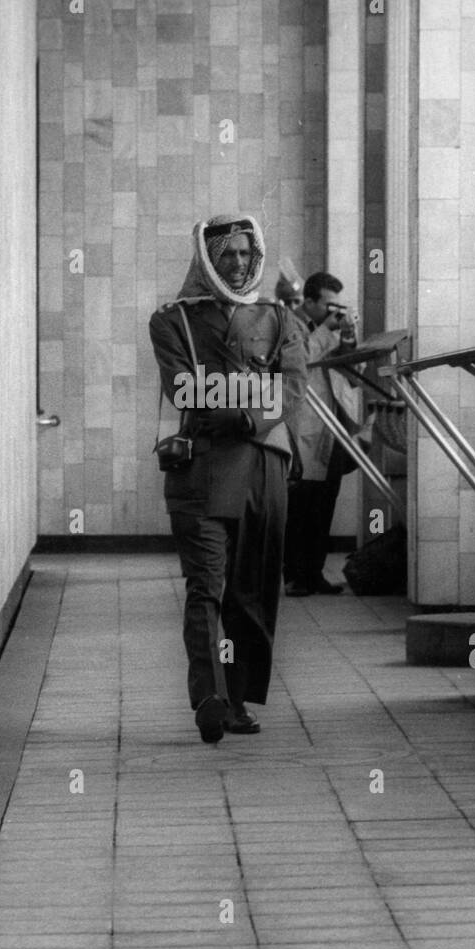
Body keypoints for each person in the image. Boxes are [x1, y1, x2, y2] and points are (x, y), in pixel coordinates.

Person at [149, 214, 307, 745]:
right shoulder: (173, 322)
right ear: (207, 259)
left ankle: (237, 699)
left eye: (245, 254)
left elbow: (291, 392)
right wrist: (253, 391)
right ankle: (209, 697)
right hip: (203, 474)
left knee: (253, 593)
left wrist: (241, 410)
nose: (238, 263)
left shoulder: (279, 318)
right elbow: (185, 391)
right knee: (206, 589)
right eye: (227, 255)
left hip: (265, 467)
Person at [283, 271, 362, 597]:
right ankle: (295, 576)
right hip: (305, 426)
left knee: (324, 504)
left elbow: (353, 372)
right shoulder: (290, 323)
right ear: (311, 301)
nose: (333, 313)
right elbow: (297, 361)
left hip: (333, 422)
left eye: (337, 308)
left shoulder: (327, 328)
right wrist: (327, 331)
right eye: (328, 306)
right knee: (300, 507)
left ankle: (313, 572)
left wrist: (348, 338)